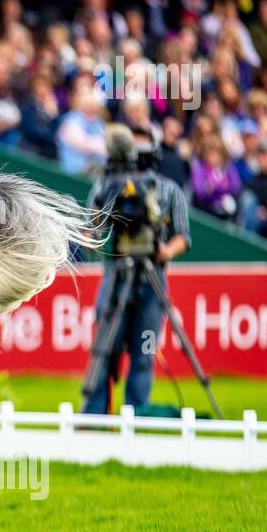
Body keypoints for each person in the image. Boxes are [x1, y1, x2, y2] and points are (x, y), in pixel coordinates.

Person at [82, 125, 191, 416]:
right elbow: (92, 224)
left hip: (152, 278)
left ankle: (137, 414)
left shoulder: (169, 190)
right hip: (117, 273)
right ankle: (93, 415)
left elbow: (183, 236)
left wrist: (166, 251)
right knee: (105, 347)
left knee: (144, 352)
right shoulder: (106, 183)